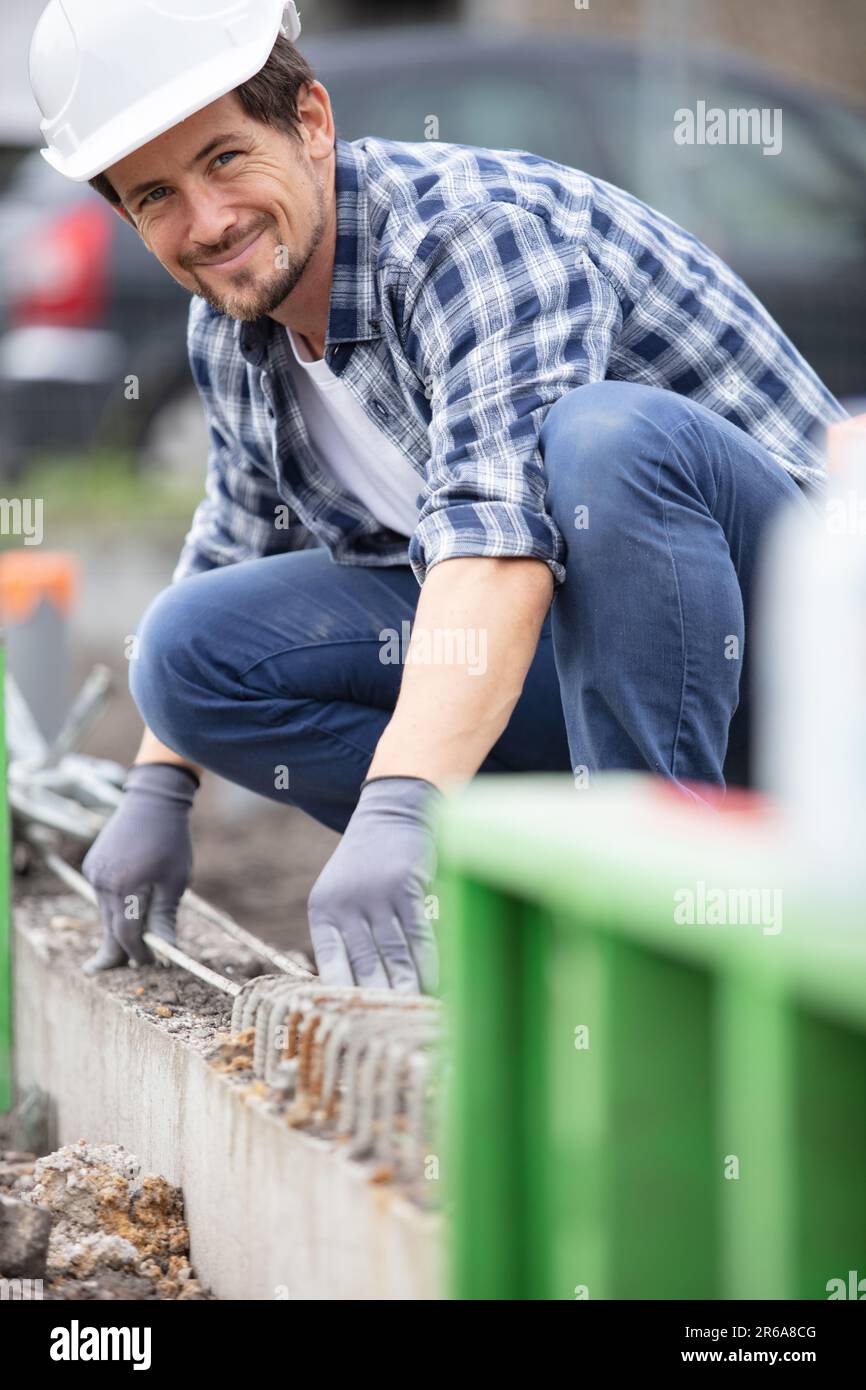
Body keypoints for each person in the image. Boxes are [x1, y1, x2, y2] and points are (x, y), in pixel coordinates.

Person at [28, 0, 847, 992]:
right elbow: (228, 546)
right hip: (587, 662)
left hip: (802, 655)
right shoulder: (233, 336)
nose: (207, 222)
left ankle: (659, 921)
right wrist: (159, 785)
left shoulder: (472, 235)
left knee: (606, 444)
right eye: (155, 196)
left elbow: (497, 544)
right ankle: (530, 880)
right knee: (186, 651)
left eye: (225, 160)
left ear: (312, 122)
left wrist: (397, 805)